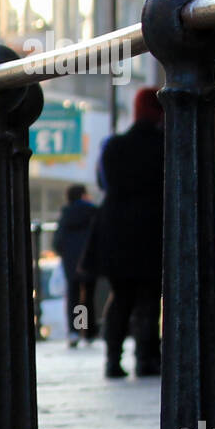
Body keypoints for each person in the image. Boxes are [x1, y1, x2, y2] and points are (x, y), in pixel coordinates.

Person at [93, 86, 164, 379]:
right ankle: (147, 359)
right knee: (149, 296)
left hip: (116, 232)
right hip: (150, 230)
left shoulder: (113, 145)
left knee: (120, 297)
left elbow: (103, 184)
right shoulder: (165, 144)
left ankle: (112, 360)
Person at [53, 184, 99, 346]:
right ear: (83, 195)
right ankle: (87, 331)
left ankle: (74, 331)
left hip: (70, 261)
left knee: (74, 295)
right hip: (89, 259)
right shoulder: (92, 212)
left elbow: (57, 242)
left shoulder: (66, 214)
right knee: (87, 296)